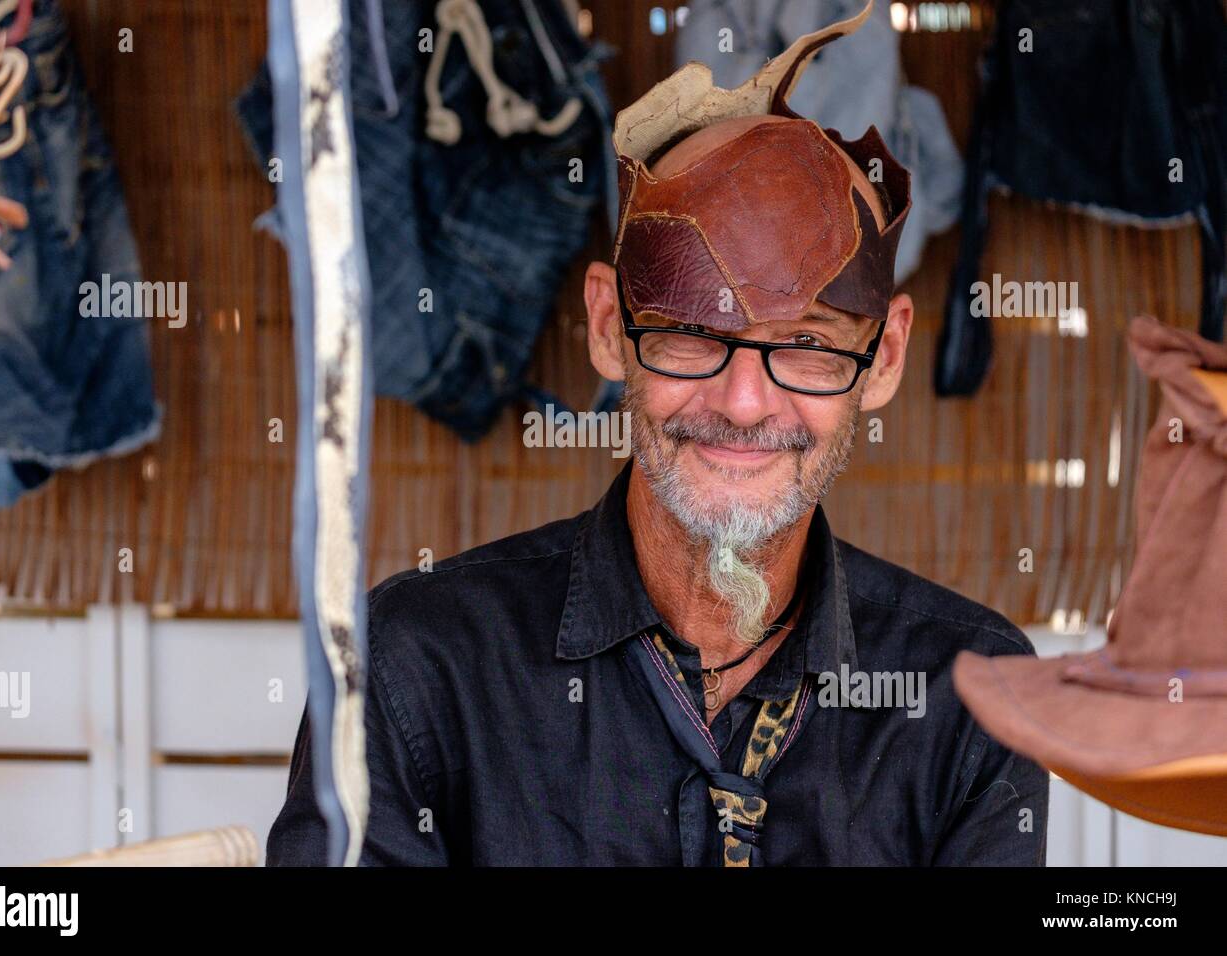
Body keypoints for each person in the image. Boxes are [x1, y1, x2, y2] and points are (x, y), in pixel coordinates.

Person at [267, 1, 1048, 866]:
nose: (745, 402)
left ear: (886, 356)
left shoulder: (974, 695)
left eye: (807, 345)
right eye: (692, 335)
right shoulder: (420, 665)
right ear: (609, 326)